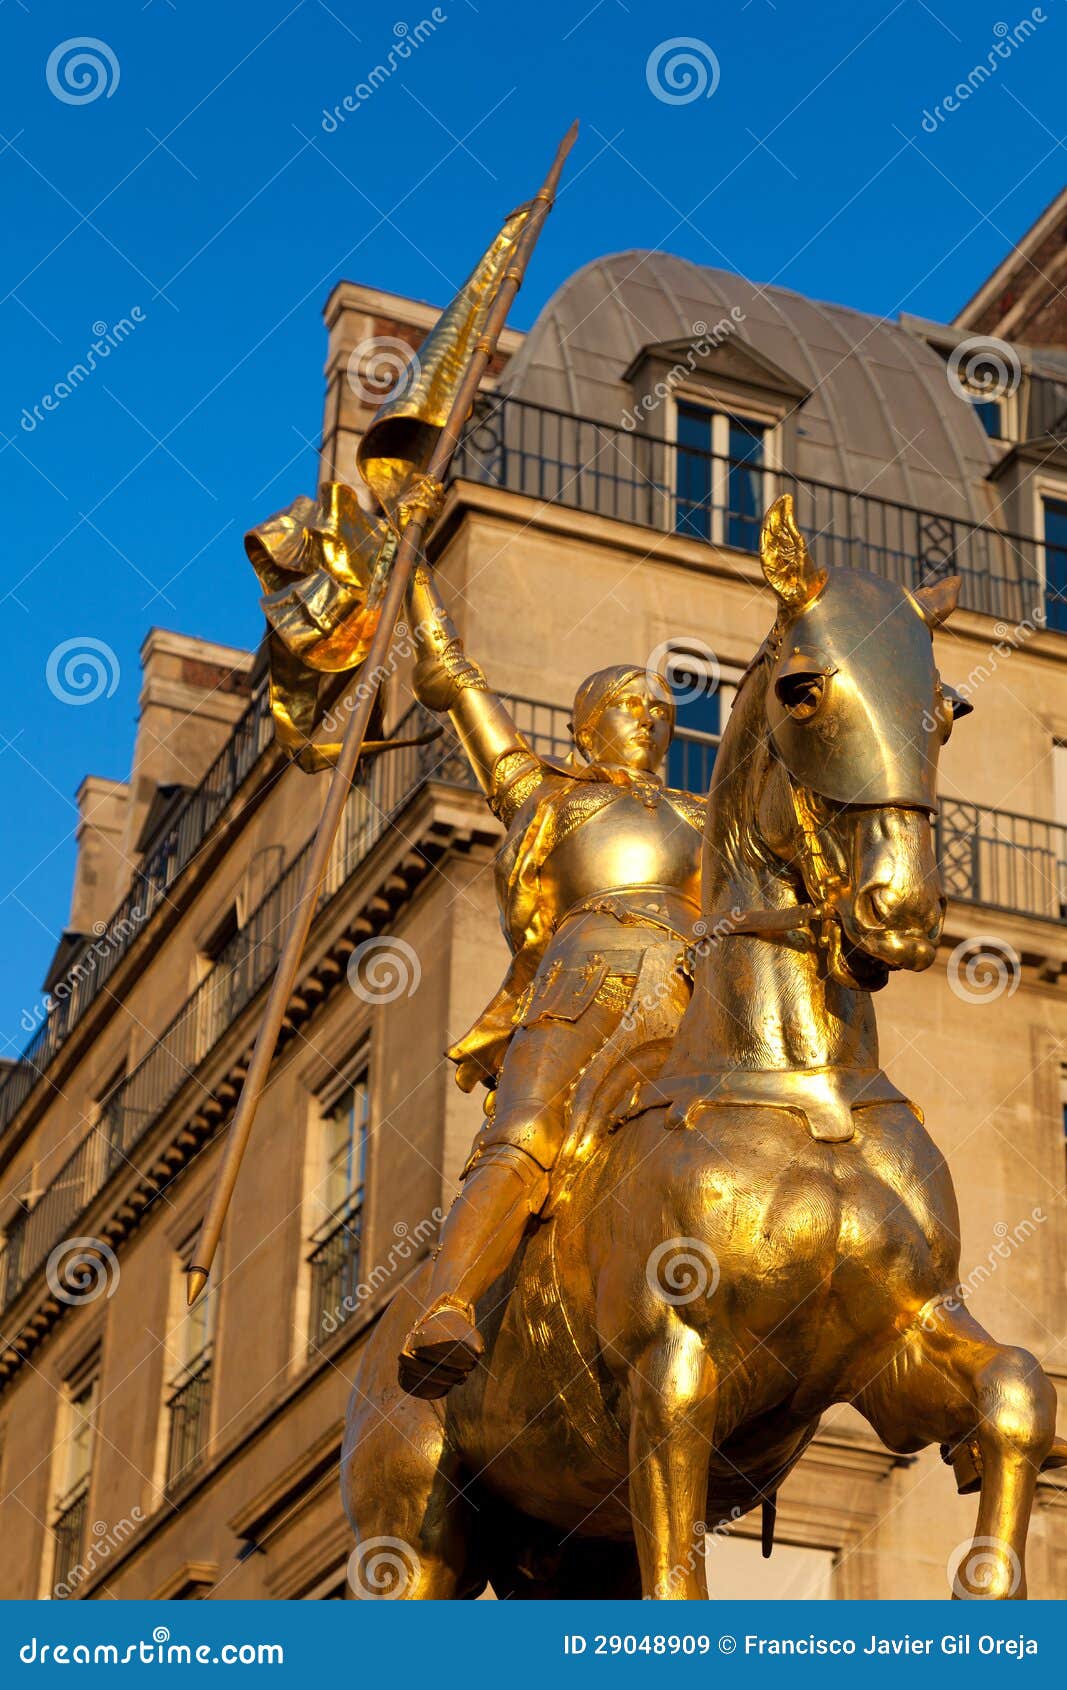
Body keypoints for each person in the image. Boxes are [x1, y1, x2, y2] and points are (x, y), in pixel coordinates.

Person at [398, 562, 706, 1399]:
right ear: (586, 728)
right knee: (527, 1129)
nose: (646, 718)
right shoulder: (548, 796)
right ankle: (449, 1304)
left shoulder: (700, 819)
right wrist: (415, 573)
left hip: (693, 986)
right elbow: (458, 684)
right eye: (626, 706)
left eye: (657, 709)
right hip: (587, 976)